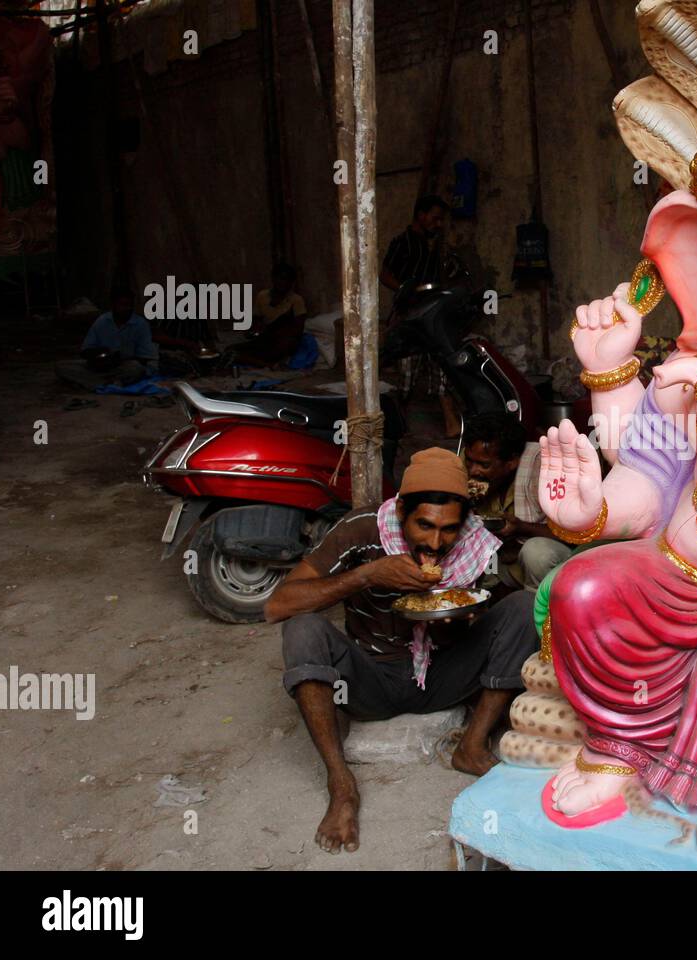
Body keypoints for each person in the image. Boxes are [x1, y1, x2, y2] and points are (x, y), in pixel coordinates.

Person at [265, 448, 539, 854]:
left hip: (445, 677)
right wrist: (365, 575)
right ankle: (341, 786)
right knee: (302, 627)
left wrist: (464, 618)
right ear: (401, 513)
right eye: (424, 525)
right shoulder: (361, 529)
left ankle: (472, 746)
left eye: (448, 529)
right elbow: (276, 605)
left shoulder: (473, 540)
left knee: (523, 605)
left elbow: (494, 611)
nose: (435, 542)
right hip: (371, 682)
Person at [464, 413, 572, 591]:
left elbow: (575, 534)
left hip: (553, 564)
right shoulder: (473, 457)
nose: (473, 471)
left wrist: (521, 527)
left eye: (484, 465)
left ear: (512, 462)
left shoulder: (545, 467)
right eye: (470, 461)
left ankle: (535, 611)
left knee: (536, 552)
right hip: (505, 561)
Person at [56, 284, 159, 391]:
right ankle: (108, 383)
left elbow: (145, 359)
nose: (127, 308)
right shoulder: (102, 321)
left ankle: (96, 383)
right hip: (100, 367)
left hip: (124, 367)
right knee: (61, 367)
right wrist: (99, 356)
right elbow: (85, 351)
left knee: (136, 369)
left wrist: (118, 360)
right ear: (113, 305)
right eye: (123, 305)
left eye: (130, 305)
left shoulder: (140, 324)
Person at [227, 261, 309, 368]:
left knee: (285, 344)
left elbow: (298, 330)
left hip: (282, 340)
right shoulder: (262, 296)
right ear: (273, 278)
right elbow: (256, 320)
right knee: (230, 350)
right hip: (265, 338)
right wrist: (254, 331)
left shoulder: (296, 300)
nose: (283, 282)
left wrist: (277, 331)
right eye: (280, 278)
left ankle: (262, 362)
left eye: (287, 279)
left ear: (292, 283)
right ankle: (268, 364)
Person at [380, 194, 449, 293]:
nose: (439, 224)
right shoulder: (403, 242)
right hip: (408, 307)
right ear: (421, 215)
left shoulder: (432, 243)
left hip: (431, 305)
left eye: (441, 220)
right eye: (435, 219)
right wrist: (406, 292)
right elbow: (385, 276)